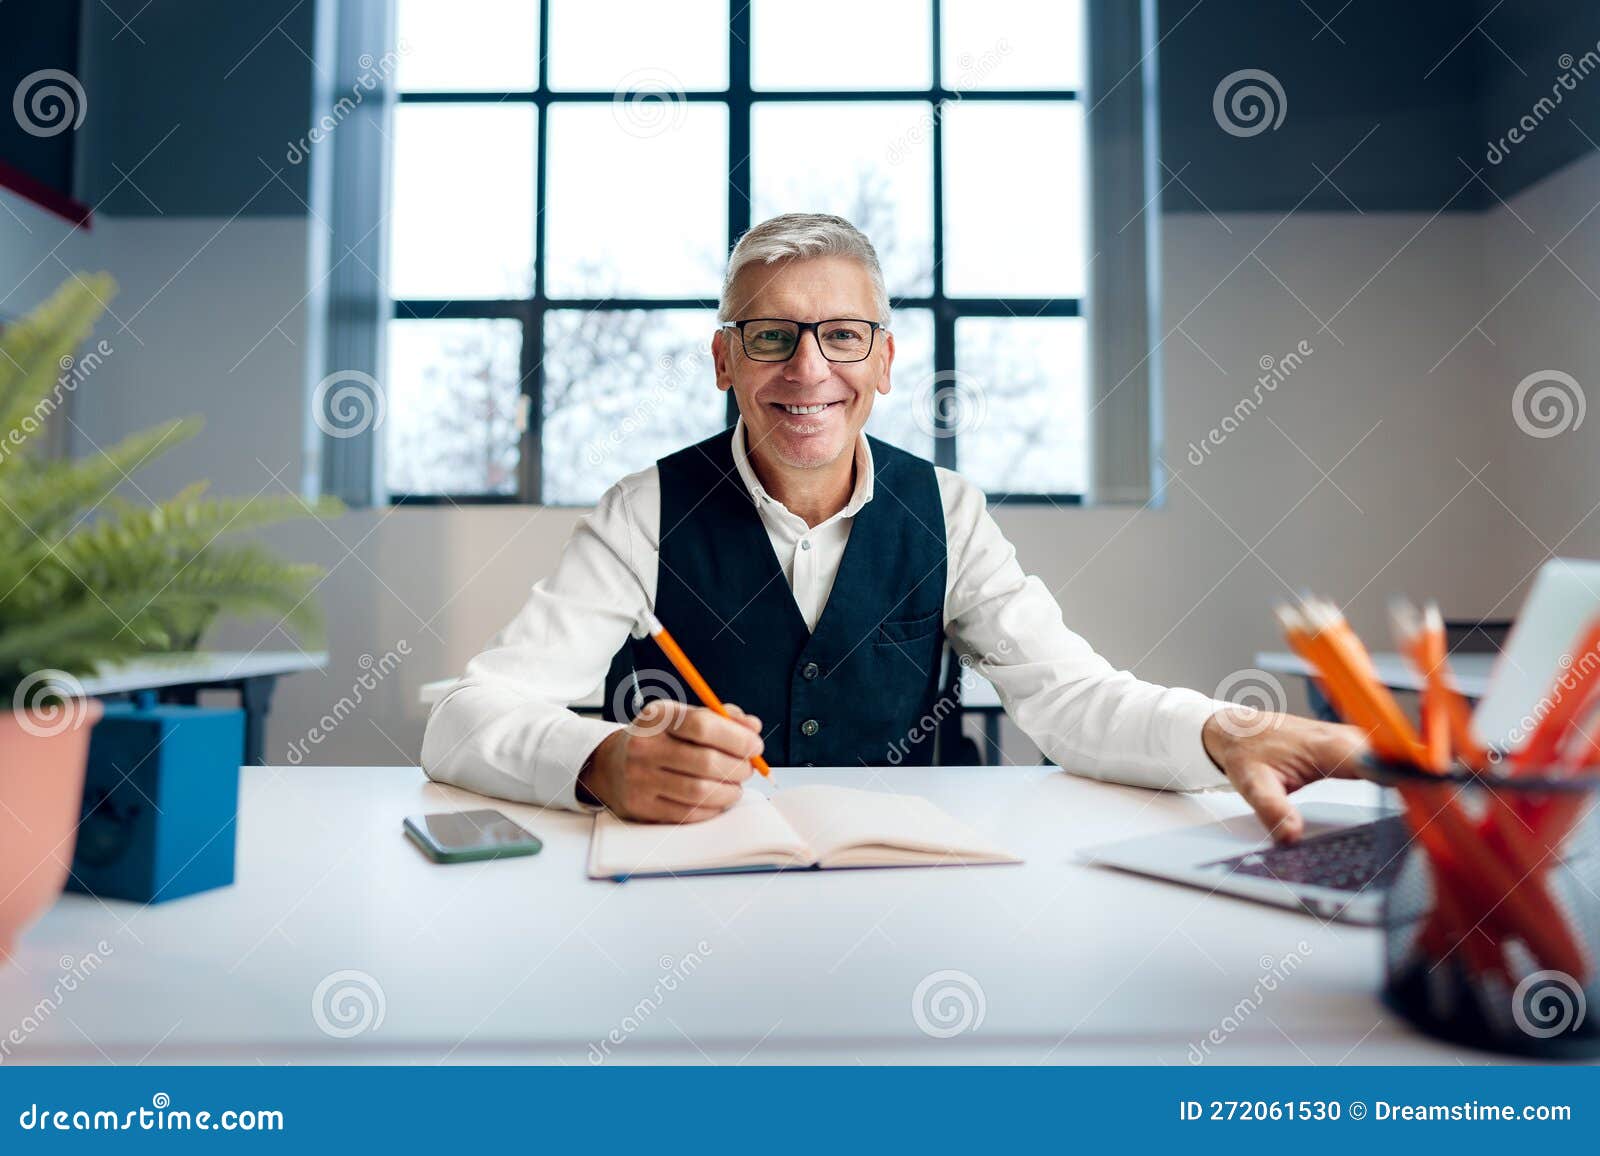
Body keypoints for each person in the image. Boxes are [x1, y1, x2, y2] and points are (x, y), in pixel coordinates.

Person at [422, 213, 1364, 842]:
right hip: (692, 882)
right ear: (723, 359)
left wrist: (1221, 731)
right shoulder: (646, 510)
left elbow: (1072, 699)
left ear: (884, 361)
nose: (807, 367)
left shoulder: (948, 511)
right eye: (770, 335)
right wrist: (599, 760)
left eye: (841, 335)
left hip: (906, 882)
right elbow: (468, 717)